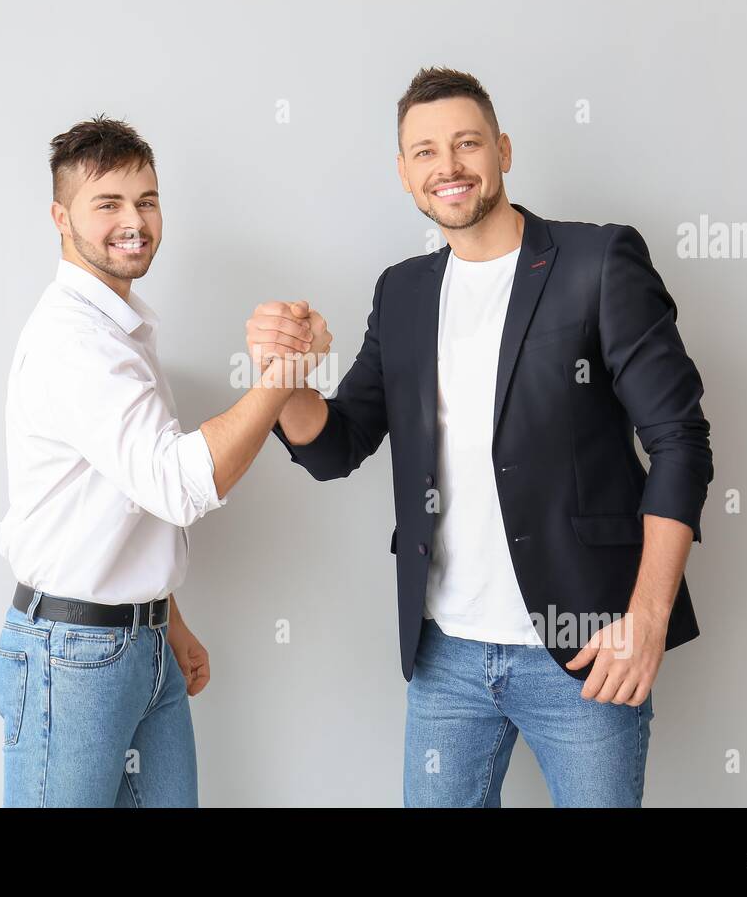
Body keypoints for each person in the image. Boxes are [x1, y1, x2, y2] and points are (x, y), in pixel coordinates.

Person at [250, 67, 714, 807]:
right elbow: (337, 446)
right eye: (426, 152)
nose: (450, 167)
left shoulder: (597, 262)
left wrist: (647, 618)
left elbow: (680, 441)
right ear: (405, 174)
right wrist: (283, 377)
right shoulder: (402, 290)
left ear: (502, 149)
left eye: (467, 143)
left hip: (586, 648)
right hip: (446, 658)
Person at [0, 116, 329, 807]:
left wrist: (165, 620)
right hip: (72, 656)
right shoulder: (76, 342)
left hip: (139, 645)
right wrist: (282, 374)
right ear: (61, 217)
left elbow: (127, 496)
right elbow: (178, 487)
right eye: (108, 203)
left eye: (146, 200)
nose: (134, 220)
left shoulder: (122, 327)